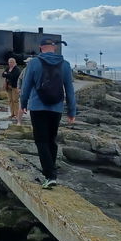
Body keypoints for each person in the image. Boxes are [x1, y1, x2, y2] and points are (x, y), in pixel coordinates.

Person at [20, 38, 76, 189]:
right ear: (54, 48)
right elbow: (70, 90)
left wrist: (23, 104)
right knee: (51, 140)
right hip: (56, 108)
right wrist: (71, 111)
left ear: (40, 48)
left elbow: (26, 87)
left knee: (41, 141)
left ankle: (50, 175)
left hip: (38, 107)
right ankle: (52, 172)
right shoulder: (65, 65)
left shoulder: (33, 63)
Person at [1, 57, 22, 123]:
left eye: (12, 62)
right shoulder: (8, 68)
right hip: (8, 86)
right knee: (10, 100)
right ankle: (12, 113)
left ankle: (17, 114)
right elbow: (3, 75)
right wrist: (7, 74)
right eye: (9, 62)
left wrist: (7, 74)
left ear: (15, 63)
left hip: (14, 87)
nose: (10, 63)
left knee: (15, 100)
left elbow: (14, 76)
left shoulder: (17, 69)